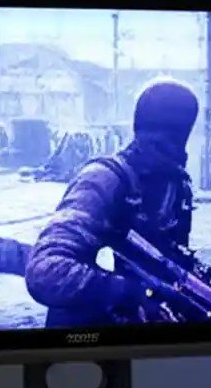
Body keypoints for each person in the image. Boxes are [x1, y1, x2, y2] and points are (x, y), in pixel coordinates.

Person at [25, 78, 198, 327]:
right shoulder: (106, 178)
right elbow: (45, 272)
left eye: (177, 140)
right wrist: (131, 294)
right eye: (162, 140)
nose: (172, 151)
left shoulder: (176, 184)